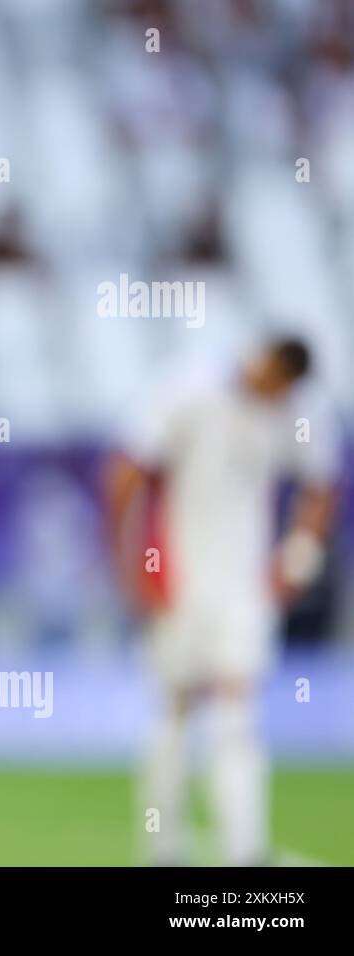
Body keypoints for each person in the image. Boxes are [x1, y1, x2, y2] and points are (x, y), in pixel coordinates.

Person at [104, 335, 341, 865]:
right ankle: (163, 848)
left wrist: (297, 560)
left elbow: (322, 484)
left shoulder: (298, 410)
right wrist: (131, 563)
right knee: (175, 710)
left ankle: (244, 850)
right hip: (176, 581)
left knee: (236, 714)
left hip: (243, 589)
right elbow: (126, 470)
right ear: (263, 363)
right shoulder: (191, 387)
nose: (273, 394)